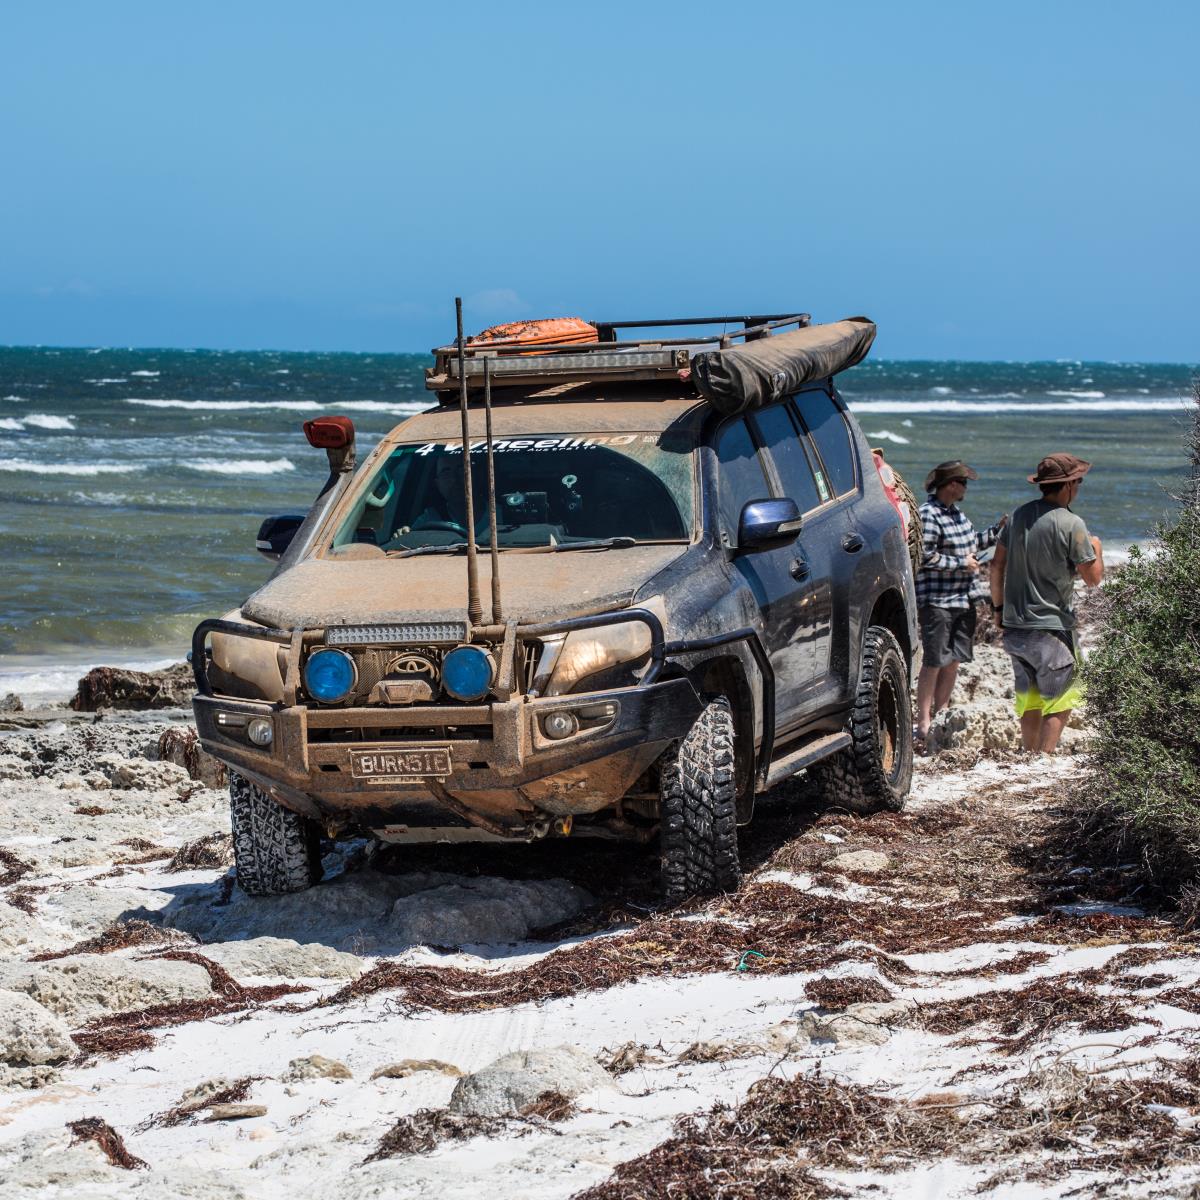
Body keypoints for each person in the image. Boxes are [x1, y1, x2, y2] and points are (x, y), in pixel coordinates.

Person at [989, 453, 1104, 754]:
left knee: (1031, 699)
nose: (1079, 487)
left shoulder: (1017, 517)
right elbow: (1093, 578)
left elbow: (995, 566)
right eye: (1077, 481)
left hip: (1016, 626)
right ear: (1066, 485)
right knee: (1062, 698)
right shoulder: (1072, 523)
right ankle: (1044, 757)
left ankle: (1030, 755)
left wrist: (998, 609)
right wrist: (1097, 548)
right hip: (1052, 626)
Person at [914, 460, 1008, 749]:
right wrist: (960, 564)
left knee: (954, 660)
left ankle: (942, 715)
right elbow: (924, 555)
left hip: (962, 598)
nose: (966, 488)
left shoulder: (956, 514)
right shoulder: (928, 515)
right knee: (933, 661)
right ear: (951, 485)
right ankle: (923, 722)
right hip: (937, 600)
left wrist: (996, 531)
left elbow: (972, 544)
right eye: (964, 483)